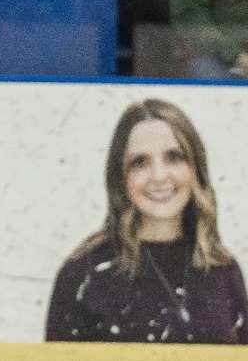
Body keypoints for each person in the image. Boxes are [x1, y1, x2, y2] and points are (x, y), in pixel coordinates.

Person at [47, 99, 247, 342]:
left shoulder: (223, 270)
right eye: (140, 162)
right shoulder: (82, 275)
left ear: (195, 168)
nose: (159, 176)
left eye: (174, 157)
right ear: (120, 177)